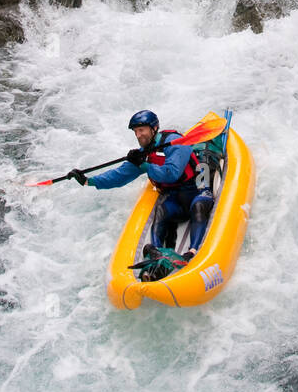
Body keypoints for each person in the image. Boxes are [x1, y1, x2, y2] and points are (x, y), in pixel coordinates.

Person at [69, 110, 214, 278]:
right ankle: (155, 253)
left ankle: (192, 253)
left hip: (196, 191)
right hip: (175, 197)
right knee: (161, 211)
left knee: (198, 207)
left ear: (154, 129)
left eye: (142, 130)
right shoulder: (144, 152)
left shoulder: (176, 143)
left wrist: (144, 165)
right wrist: (88, 181)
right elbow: (119, 175)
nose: (138, 135)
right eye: (135, 132)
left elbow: (172, 173)